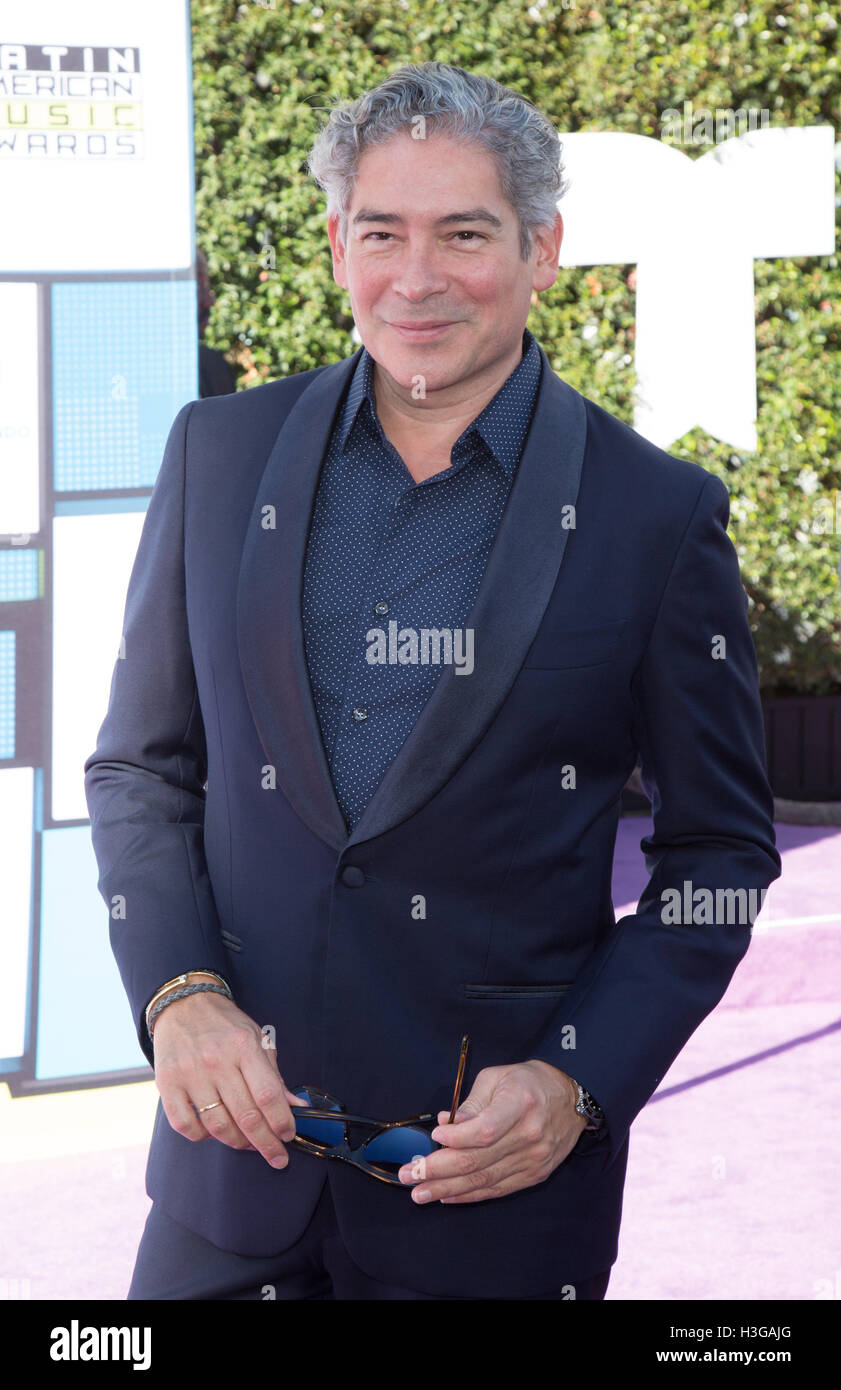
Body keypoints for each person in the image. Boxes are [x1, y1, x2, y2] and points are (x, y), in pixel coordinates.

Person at [84, 61, 781, 1301]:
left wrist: (577, 1076)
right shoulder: (216, 452)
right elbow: (143, 763)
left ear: (542, 247)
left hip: (491, 1206)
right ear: (339, 246)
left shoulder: (656, 517)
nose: (415, 279)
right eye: (381, 233)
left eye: (463, 233)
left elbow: (719, 854)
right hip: (226, 1183)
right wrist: (179, 995)